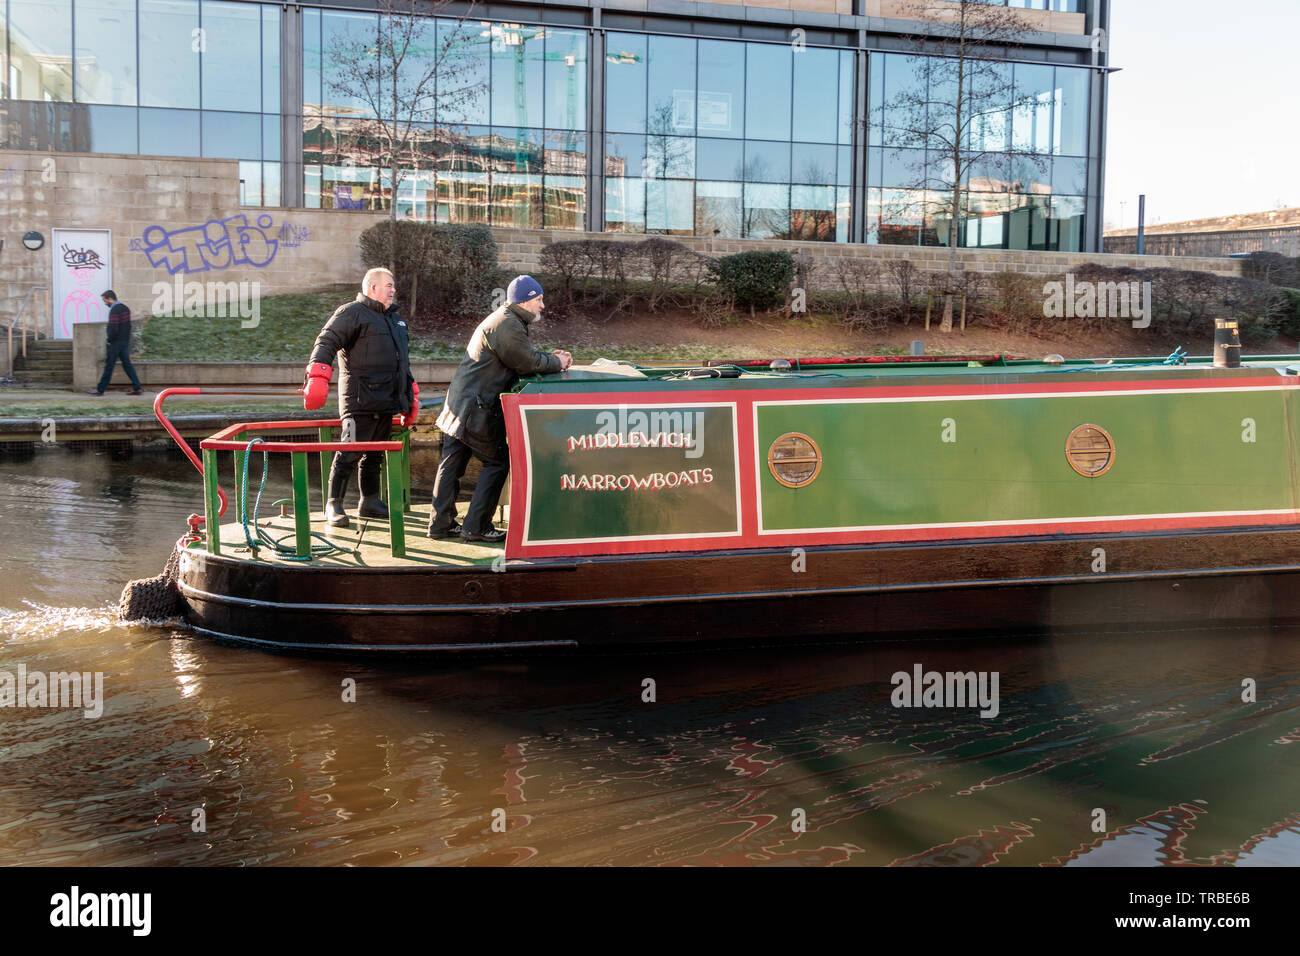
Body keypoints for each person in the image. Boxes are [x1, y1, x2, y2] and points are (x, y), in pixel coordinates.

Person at [430, 275, 571, 543]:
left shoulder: (504, 319)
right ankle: (477, 526)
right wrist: (558, 361)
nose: (543, 305)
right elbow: (526, 361)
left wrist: (549, 358)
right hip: (475, 408)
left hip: (458, 404)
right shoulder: (507, 323)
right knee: (497, 461)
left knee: (453, 463)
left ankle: (440, 525)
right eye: (539, 300)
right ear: (525, 300)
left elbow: (520, 354)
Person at [303, 267, 418, 528]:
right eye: (388, 285)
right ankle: (333, 504)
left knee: (375, 455)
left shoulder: (395, 320)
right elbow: (326, 341)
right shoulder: (351, 312)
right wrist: (318, 375)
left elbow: (402, 362)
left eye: (393, 285)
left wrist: (410, 393)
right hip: (359, 401)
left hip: (386, 400)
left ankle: (370, 501)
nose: (393, 290)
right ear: (372, 287)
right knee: (348, 452)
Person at [86, 290, 143, 395]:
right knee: (127, 365)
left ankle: (100, 389)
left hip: (115, 342)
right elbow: (128, 326)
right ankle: (137, 387)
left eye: (105, 300)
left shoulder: (114, 310)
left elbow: (113, 328)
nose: (105, 303)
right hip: (124, 341)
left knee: (109, 366)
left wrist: (109, 339)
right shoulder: (125, 308)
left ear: (110, 298)